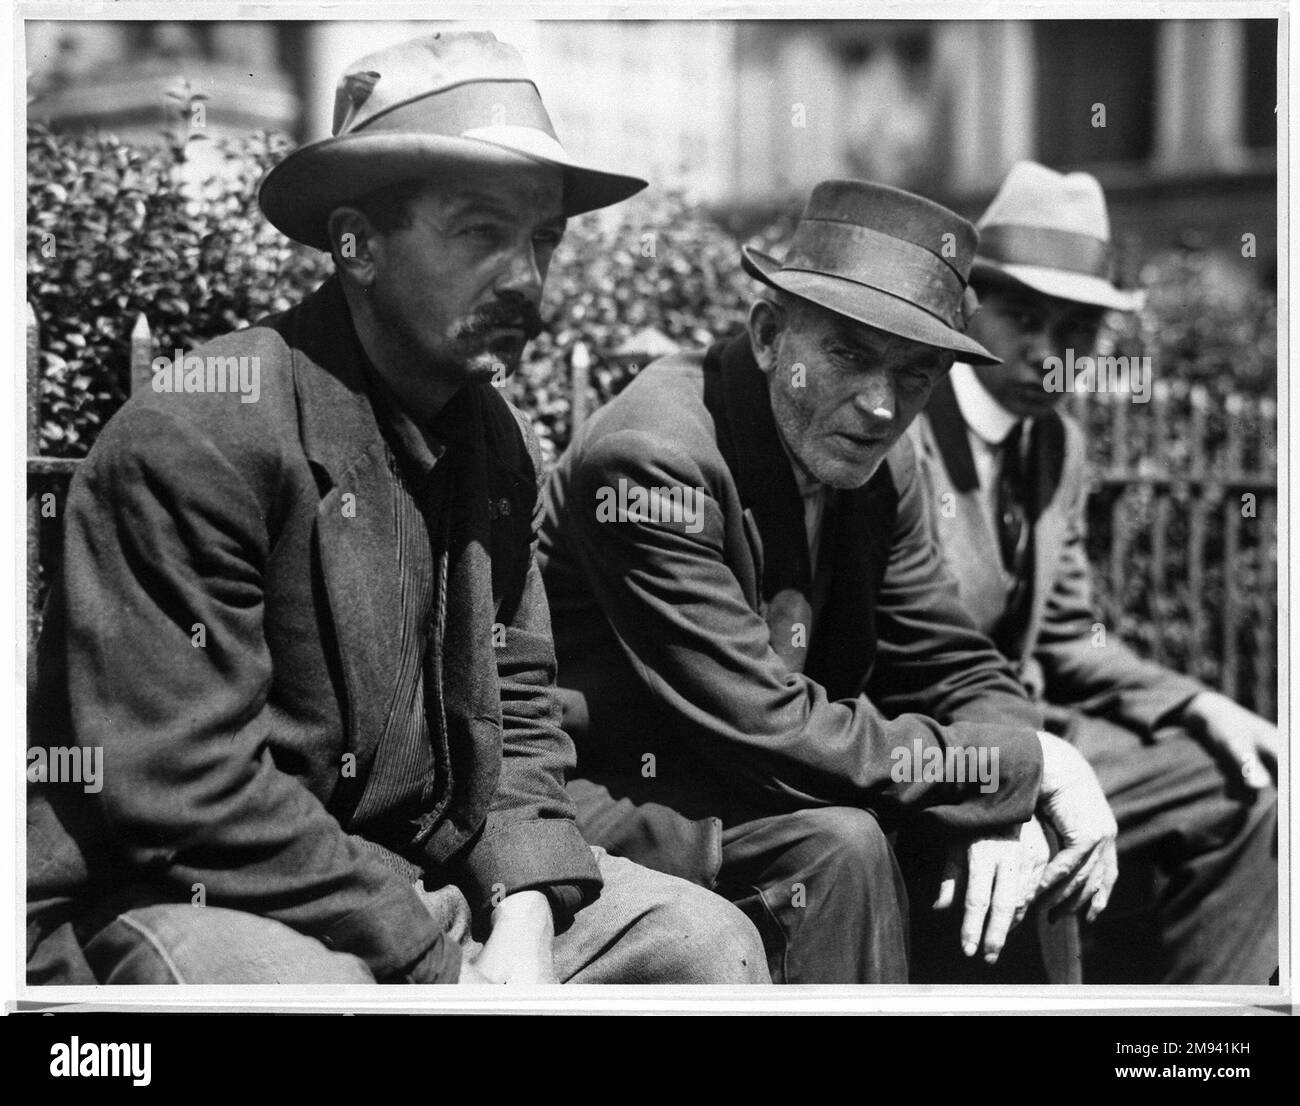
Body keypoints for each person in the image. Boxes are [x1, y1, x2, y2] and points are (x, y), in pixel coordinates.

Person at [26, 31, 769, 986]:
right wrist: (439, 968)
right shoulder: (200, 434)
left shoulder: (492, 438)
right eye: (481, 231)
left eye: (543, 238)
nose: (526, 278)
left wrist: (526, 913)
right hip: (187, 895)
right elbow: (184, 791)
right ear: (359, 245)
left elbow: (521, 705)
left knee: (704, 945)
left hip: (422, 879)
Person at [538, 178, 1119, 983]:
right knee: (843, 845)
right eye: (850, 355)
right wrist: (1012, 767)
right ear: (769, 334)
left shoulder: (883, 464)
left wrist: (1006, 797)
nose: (881, 406)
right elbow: (765, 727)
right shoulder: (653, 459)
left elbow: (954, 662)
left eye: (916, 375)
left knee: (1016, 840)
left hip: (749, 776)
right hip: (610, 791)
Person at [906, 161, 1278, 984]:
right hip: (932, 751)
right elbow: (891, 651)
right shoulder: (906, 428)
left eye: (1076, 331)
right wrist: (1016, 769)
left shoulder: (1057, 444)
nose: (1049, 354)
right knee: (1054, 832)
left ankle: (1203, 1032)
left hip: (1043, 735)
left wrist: (1200, 703)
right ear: (968, 306)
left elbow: (1070, 637)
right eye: (1023, 318)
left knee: (1248, 788)